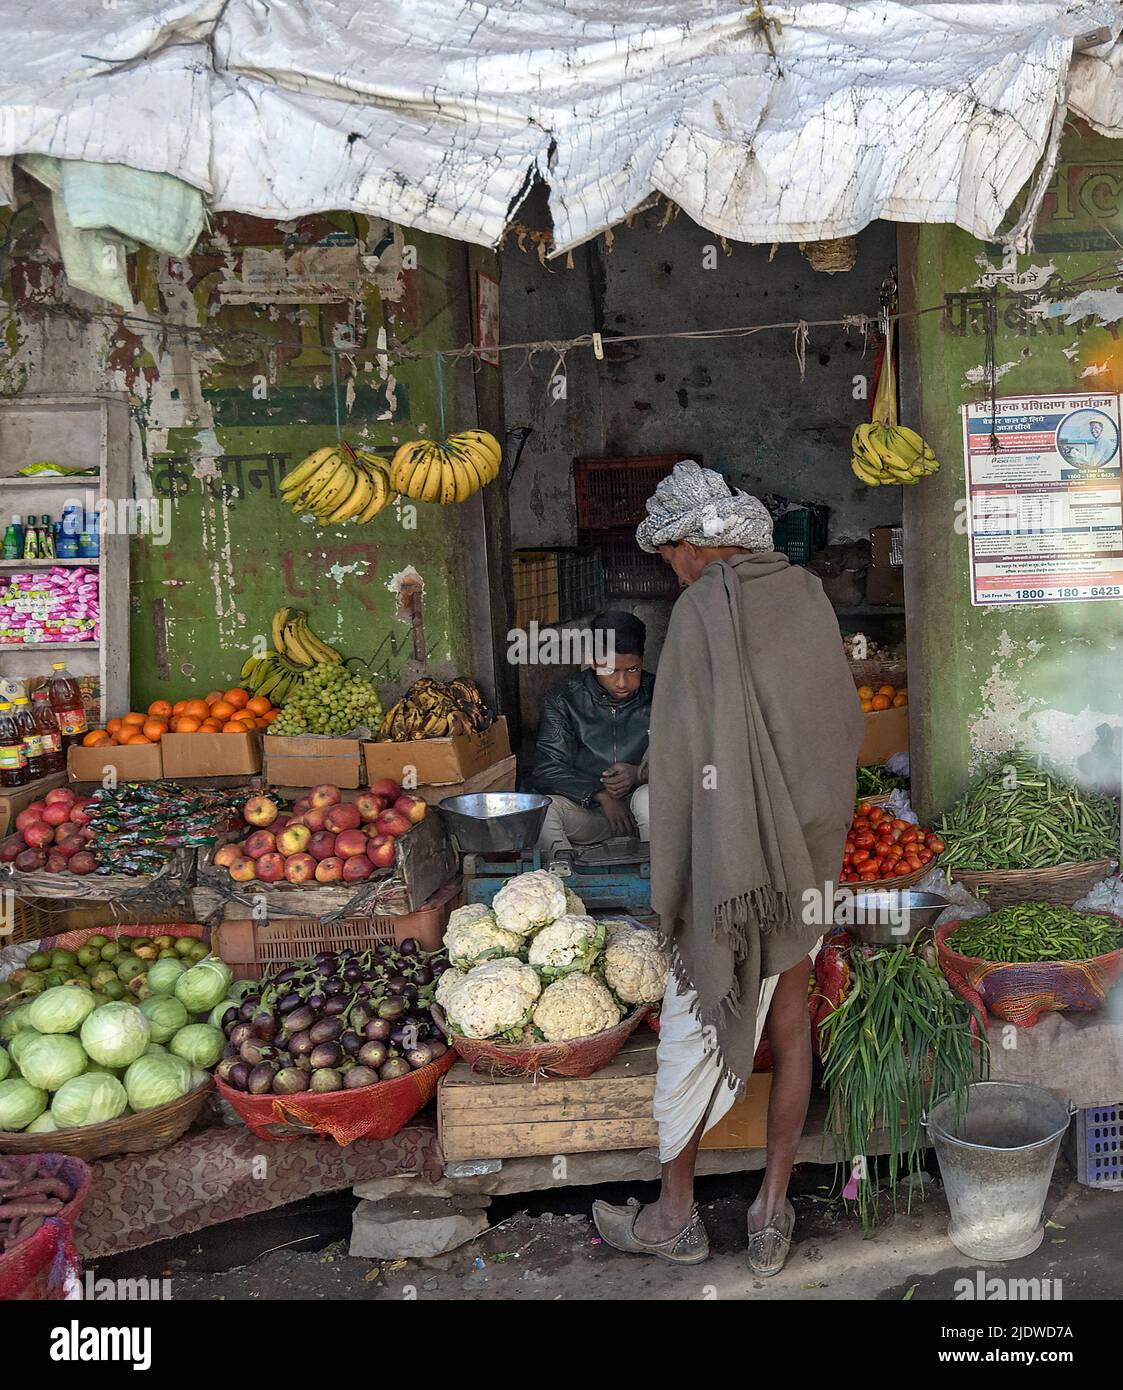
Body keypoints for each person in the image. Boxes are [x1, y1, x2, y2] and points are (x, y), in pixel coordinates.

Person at [593, 461, 863, 1275]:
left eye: (670, 550)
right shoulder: (806, 594)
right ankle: (769, 1212)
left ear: (698, 546)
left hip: (731, 868)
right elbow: (834, 729)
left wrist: (694, 850)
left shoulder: (706, 606)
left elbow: (680, 755)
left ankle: (674, 1215)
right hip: (808, 856)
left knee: (691, 1021)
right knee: (788, 1024)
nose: (669, 567)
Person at [531, 610, 653, 860]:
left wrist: (639, 773)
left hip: (649, 814)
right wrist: (599, 794)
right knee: (543, 812)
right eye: (609, 670)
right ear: (593, 660)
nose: (621, 682)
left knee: (646, 799)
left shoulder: (661, 692)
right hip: (590, 813)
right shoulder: (564, 698)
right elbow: (547, 768)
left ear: (642, 660)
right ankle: (566, 883)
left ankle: (656, 880)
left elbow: (687, 760)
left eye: (632, 669)